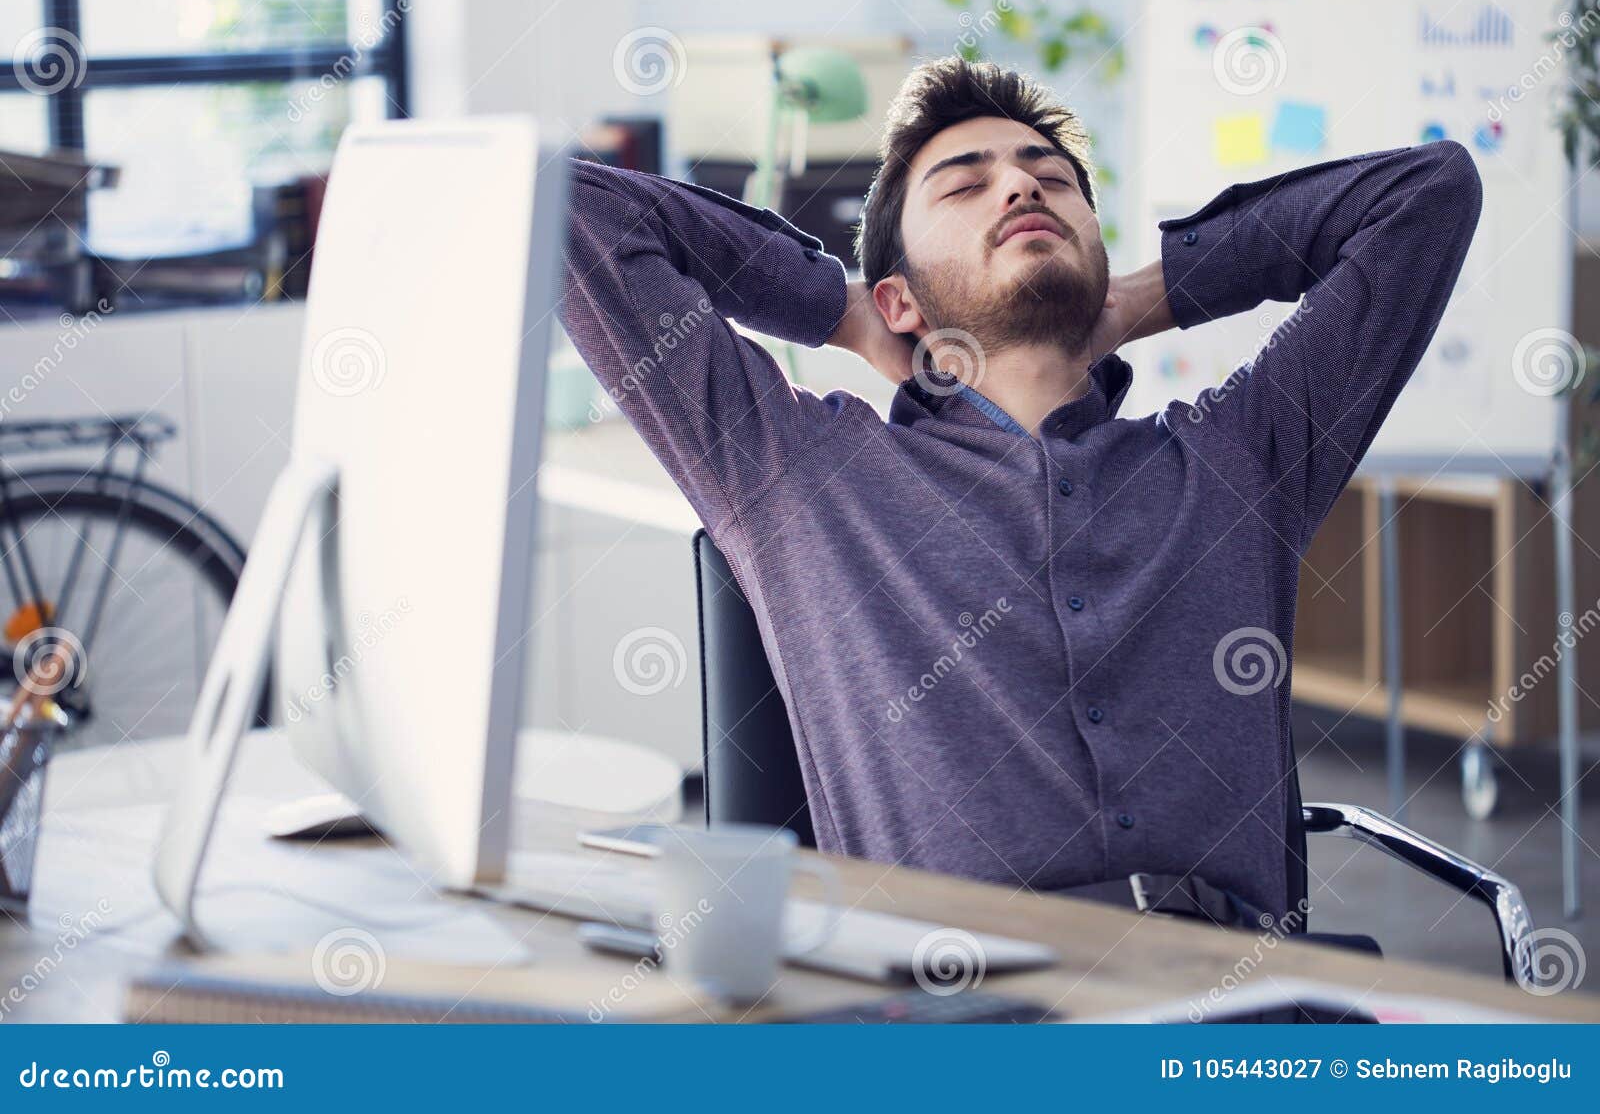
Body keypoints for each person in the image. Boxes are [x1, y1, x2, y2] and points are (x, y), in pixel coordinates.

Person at [559, 56, 1481, 924]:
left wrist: (1154, 291)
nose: (1019, 186)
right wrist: (834, 306)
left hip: (1229, 1013)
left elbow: (1427, 197)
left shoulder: (1241, 458)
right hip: (959, 1021)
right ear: (899, 299)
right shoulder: (798, 474)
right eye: (965, 182)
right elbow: (571, 207)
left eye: (1051, 178)